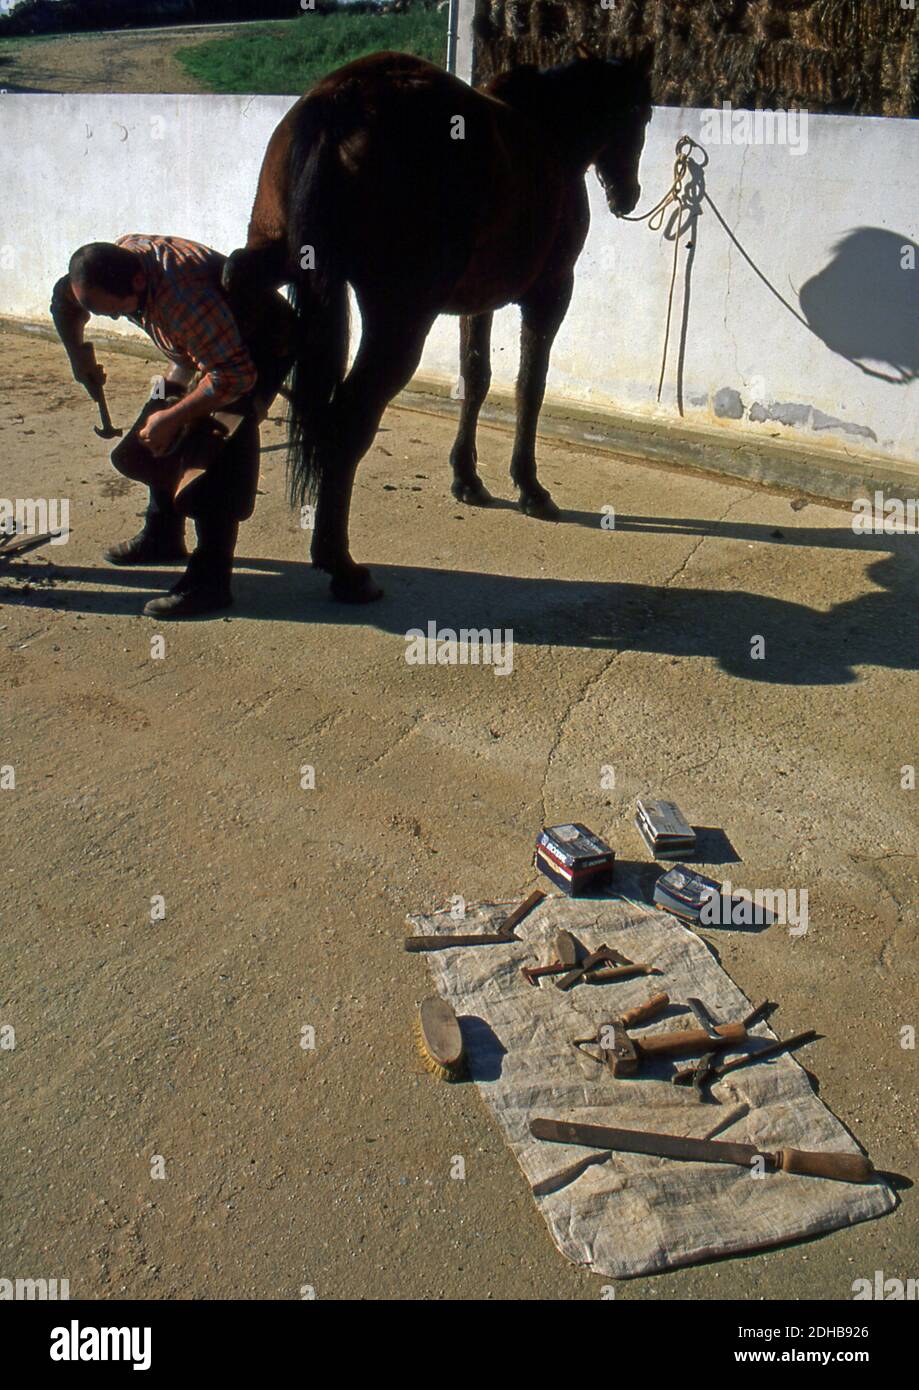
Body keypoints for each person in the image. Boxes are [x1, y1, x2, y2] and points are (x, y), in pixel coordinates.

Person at [50, 234, 295, 617]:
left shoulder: (184, 299)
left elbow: (233, 377)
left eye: (116, 312)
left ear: (137, 283)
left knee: (212, 455)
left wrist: (176, 417)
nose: (115, 318)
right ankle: (162, 534)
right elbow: (63, 301)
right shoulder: (108, 265)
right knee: (155, 430)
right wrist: (79, 360)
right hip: (198, 350)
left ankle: (210, 581)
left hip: (258, 347)